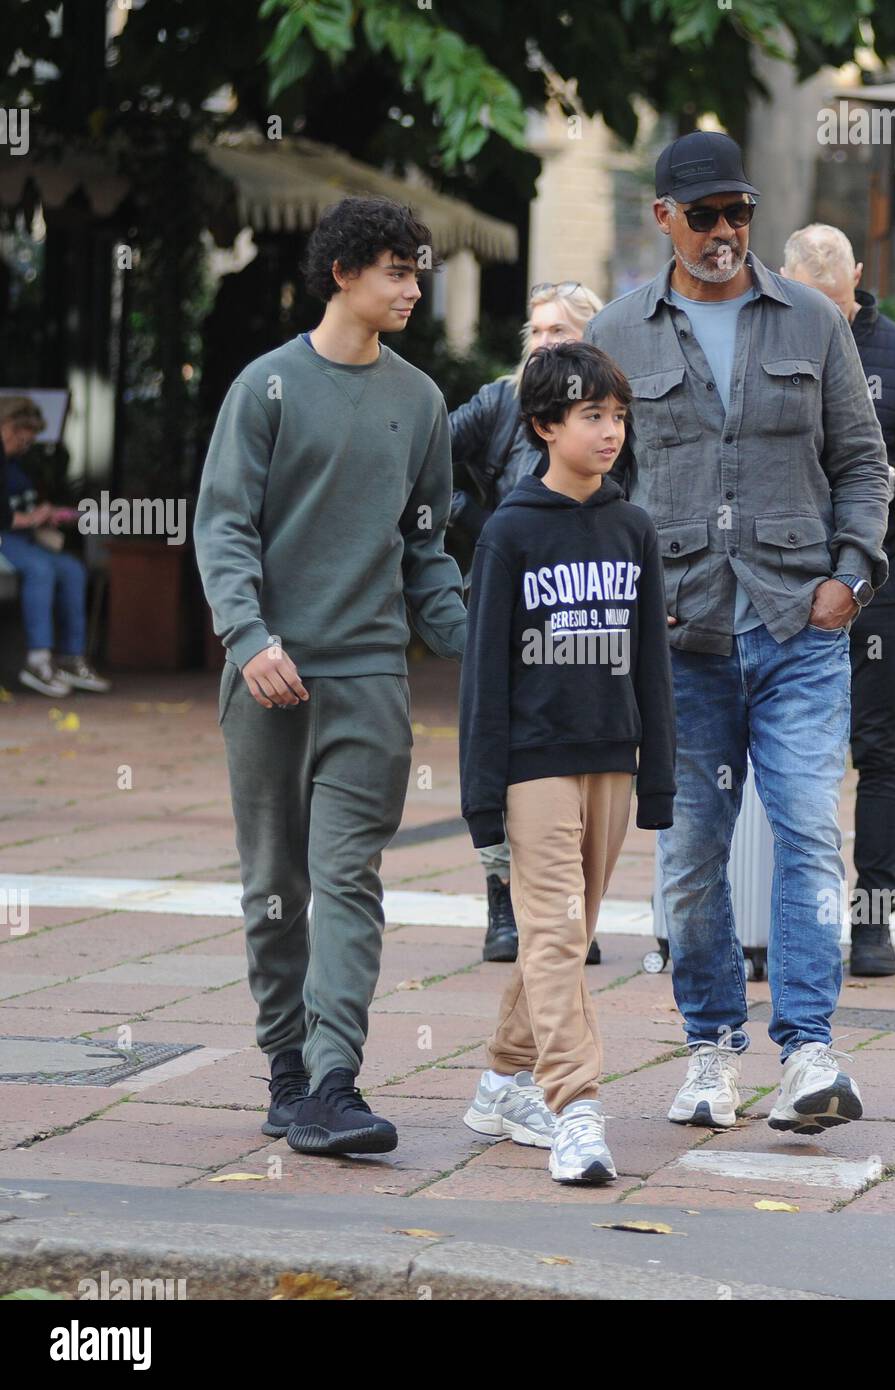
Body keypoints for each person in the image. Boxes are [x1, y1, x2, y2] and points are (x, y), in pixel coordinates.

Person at [583, 131, 890, 1135]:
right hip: (683, 638)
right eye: (704, 214)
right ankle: (710, 1049)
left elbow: (865, 464)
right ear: (662, 218)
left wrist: (849, 576)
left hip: (800, 625)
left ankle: (808, 1052)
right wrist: (633, 604)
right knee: (690, 856)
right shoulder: (621, 333)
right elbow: (596, 485)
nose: (725, 231)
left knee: (807, 829)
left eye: (739, 213)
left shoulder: (808, 317)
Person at [194, 197, 468, 1157]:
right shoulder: (264, 388)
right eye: (397, 270)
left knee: (348, 878)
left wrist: (484, 652)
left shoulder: (422, 401)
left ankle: (335, 1079)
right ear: (345, 273)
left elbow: (427, 549)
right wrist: (248, 636)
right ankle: (285, 1069)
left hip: (370, 680)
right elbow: (223, 523)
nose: (413, 288)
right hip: (267, 676)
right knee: (276, 886)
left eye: (419, 271)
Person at [458, 340, 675, 1184]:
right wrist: (483, 799)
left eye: (619, 416)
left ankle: (500, 1081)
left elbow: (652, 662)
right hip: (532, 763)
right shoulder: (509, 534)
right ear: (546, 426)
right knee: (554, 934)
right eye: (593, 415)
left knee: (568, 933)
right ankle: (575, 1106)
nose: (611, 431)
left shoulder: (633, 527)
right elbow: (483, 678)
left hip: (612, 762)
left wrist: (657, 774)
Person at [781, 226, 895, 976]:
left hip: (880, 583)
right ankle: (788, 918)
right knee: (789, 753)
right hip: (786, 577)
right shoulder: (769, 342)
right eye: (811, 301)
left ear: (858, 277)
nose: (828, 315)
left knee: (878, 749)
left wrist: (888, 478)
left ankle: (872, 920)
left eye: (839, 300)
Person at [449, 280, 606, 965]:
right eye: (537, 331)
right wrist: (477, 522)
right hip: (504, 598)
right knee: (500, 750)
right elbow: (426, 457)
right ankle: (501, 905)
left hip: (583, 603)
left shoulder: (608, 413)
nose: (545, 342)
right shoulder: (499, 400)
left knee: (576, 754)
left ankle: (569, 910)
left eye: (561, 331)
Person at [0, 396, 111, 697]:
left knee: (72, 569)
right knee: (41, 569)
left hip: (23, 538)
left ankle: (71, 657)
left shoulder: (15, 463)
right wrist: (31, 518)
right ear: (7, 427)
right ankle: (37, 660)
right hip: (6, 539)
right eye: (24, 436)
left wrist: (45, 514)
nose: (27, 443)